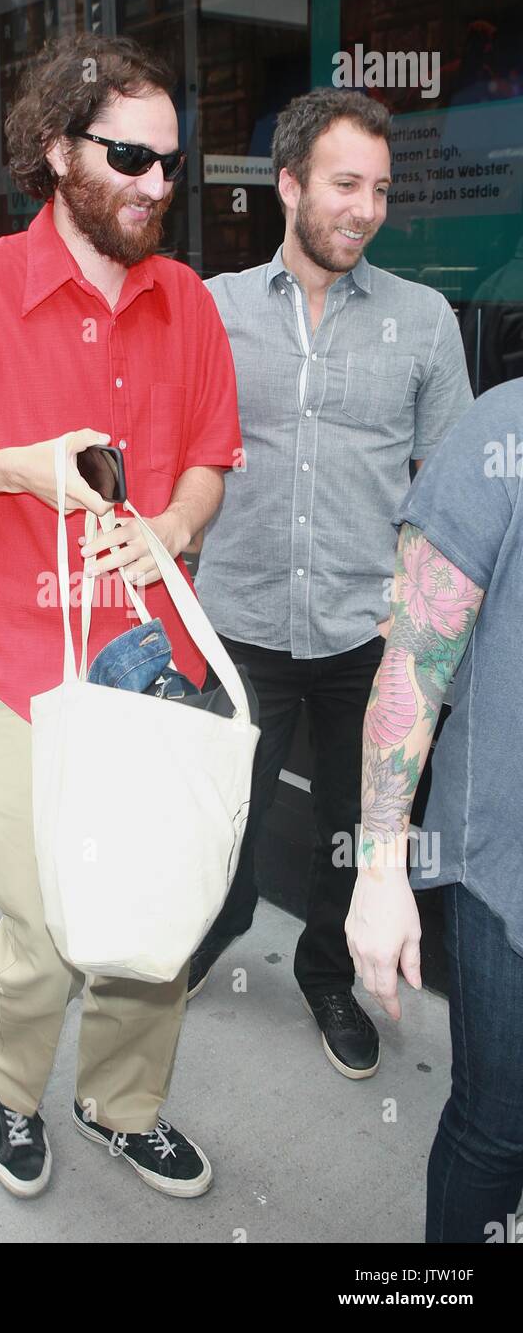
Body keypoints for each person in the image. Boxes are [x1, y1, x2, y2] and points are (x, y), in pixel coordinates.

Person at [0, 33, 242, 1199]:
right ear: (57, 149)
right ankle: (7, 1080)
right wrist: (13, 467)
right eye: (131, 156)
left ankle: (121, 1102)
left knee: (152, 906)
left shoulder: (188, 302)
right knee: (43, 914)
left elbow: (213, 461)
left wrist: (172, 530)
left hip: (152, 659)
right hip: (15, 656)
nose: (157, 184)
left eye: (171, 162)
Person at [188, 88, 473, 1082]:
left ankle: (324, 973)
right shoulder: (212, 309)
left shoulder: (425, 322)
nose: (365, 208)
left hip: (367, 636)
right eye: (345, 184)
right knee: (221, 816)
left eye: (382, 190)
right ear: (289, 185)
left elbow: (450, 498)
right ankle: (207, 929)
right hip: (238, 627)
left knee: (347, 838)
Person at [347, 379, 523, 1242]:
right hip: (509, 884)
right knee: (497, 1135)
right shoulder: (504, 433)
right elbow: (411, 664)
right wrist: (380, 871)